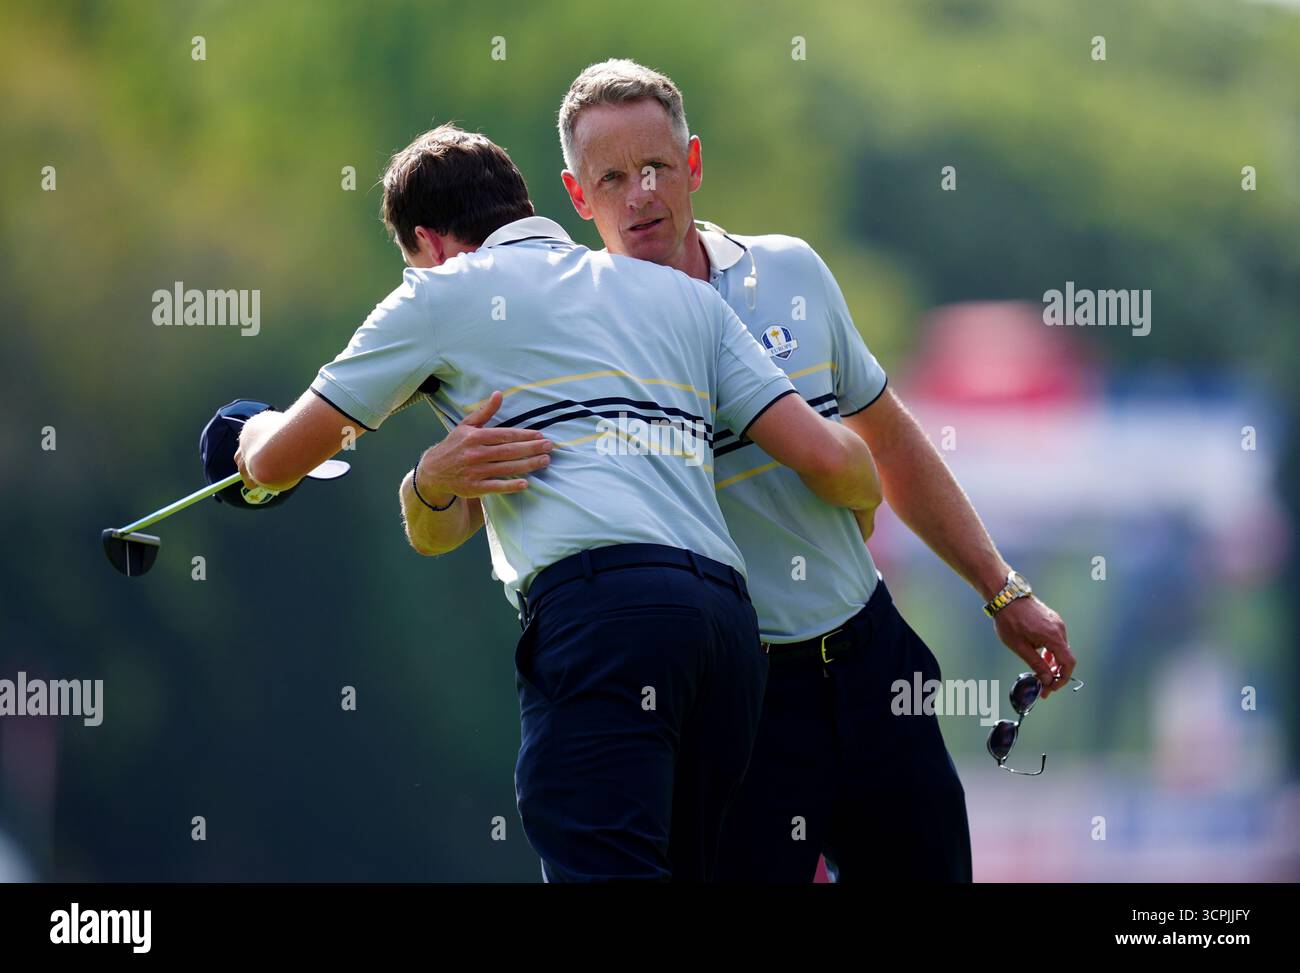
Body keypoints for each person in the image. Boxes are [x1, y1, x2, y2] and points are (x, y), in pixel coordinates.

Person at [233, 124, 882, 882]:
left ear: (428, 242)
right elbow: (837, 459)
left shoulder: (440, 292)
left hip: (602, 618)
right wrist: (860, 511)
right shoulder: (676, 293)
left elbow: (278, 464)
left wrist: (247, 431)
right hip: (729, 638)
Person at [549, 58, 1077, 882]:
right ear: (579, 198)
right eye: (611, 177)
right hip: (737, 706)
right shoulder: (575, 345)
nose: (639, 193)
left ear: (691, 163)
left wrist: (1002, 589)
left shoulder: (789, 272)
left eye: (655, 167)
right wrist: (434, 476)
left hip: (869, 661)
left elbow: (893, 441)